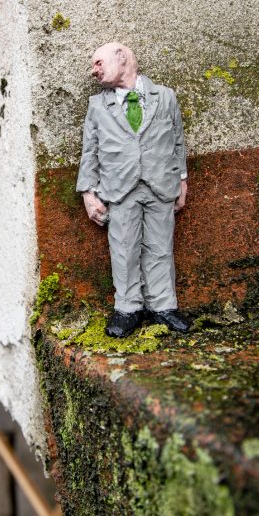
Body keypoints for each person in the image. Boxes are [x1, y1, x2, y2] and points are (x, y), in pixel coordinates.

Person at [76, 42, 190, 338]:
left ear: (121, 56)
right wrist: (89, 193)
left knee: (160, 248)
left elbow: (177, 141)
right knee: (124, 248)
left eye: (98, 63)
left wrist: (182, 180)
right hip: (120, 189)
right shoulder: (98, 106)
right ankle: (127, 308)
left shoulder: (165, 97)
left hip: (160, 185)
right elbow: (90, 152)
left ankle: (163, 306)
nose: (94, 71)